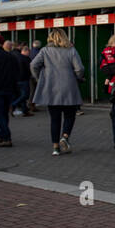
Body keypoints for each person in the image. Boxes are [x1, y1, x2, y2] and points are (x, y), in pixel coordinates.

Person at [30, 28, 85, 156]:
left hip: (51, 88)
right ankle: (64, 136)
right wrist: (78, 77)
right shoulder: (71, 50)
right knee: (70, 115)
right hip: (69, 87)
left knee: (54, 119)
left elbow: (33, 65)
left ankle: (55, 147)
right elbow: (79, 68)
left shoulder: (45, 51)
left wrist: (39, 78)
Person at [9, 41, 32, 117]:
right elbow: (28, 69)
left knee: (20, 94)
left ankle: (25, 111)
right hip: (23, 78)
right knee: (25, 95)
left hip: (14, 79)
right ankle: (13, 105)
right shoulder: (23, 57)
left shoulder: (10, 55)